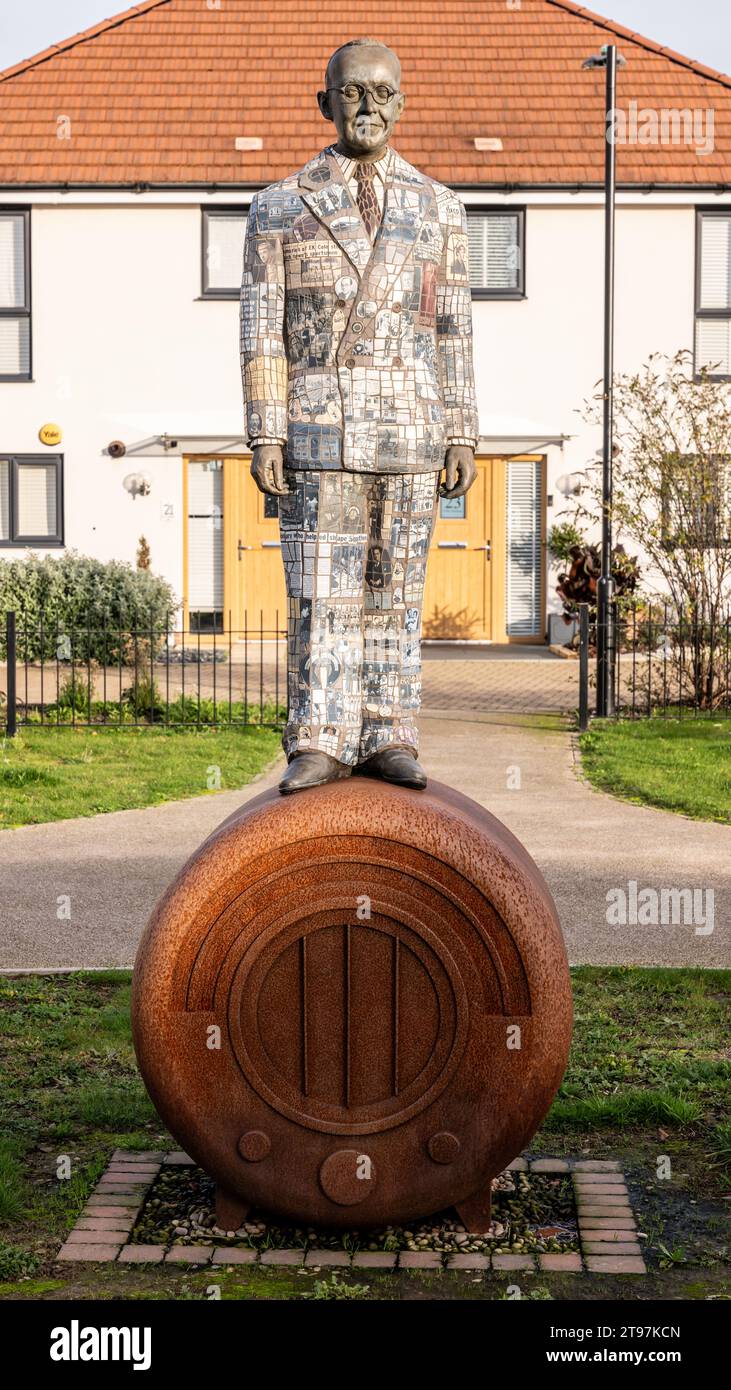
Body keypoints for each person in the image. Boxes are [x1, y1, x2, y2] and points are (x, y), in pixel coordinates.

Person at [240, 37, 479, 794]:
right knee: (320, 594)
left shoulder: (439, 207)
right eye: (352, 92)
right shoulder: (279, 205)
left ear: (402, 103)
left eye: (382, 92)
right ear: (325, 102)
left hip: (411, 431)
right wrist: (266, 429)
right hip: (318, 429)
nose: (368, 105)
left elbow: (453, 329)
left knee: (395, 595)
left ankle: (388, 732)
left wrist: (463, 430)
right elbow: (260, 328)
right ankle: (318, 735)